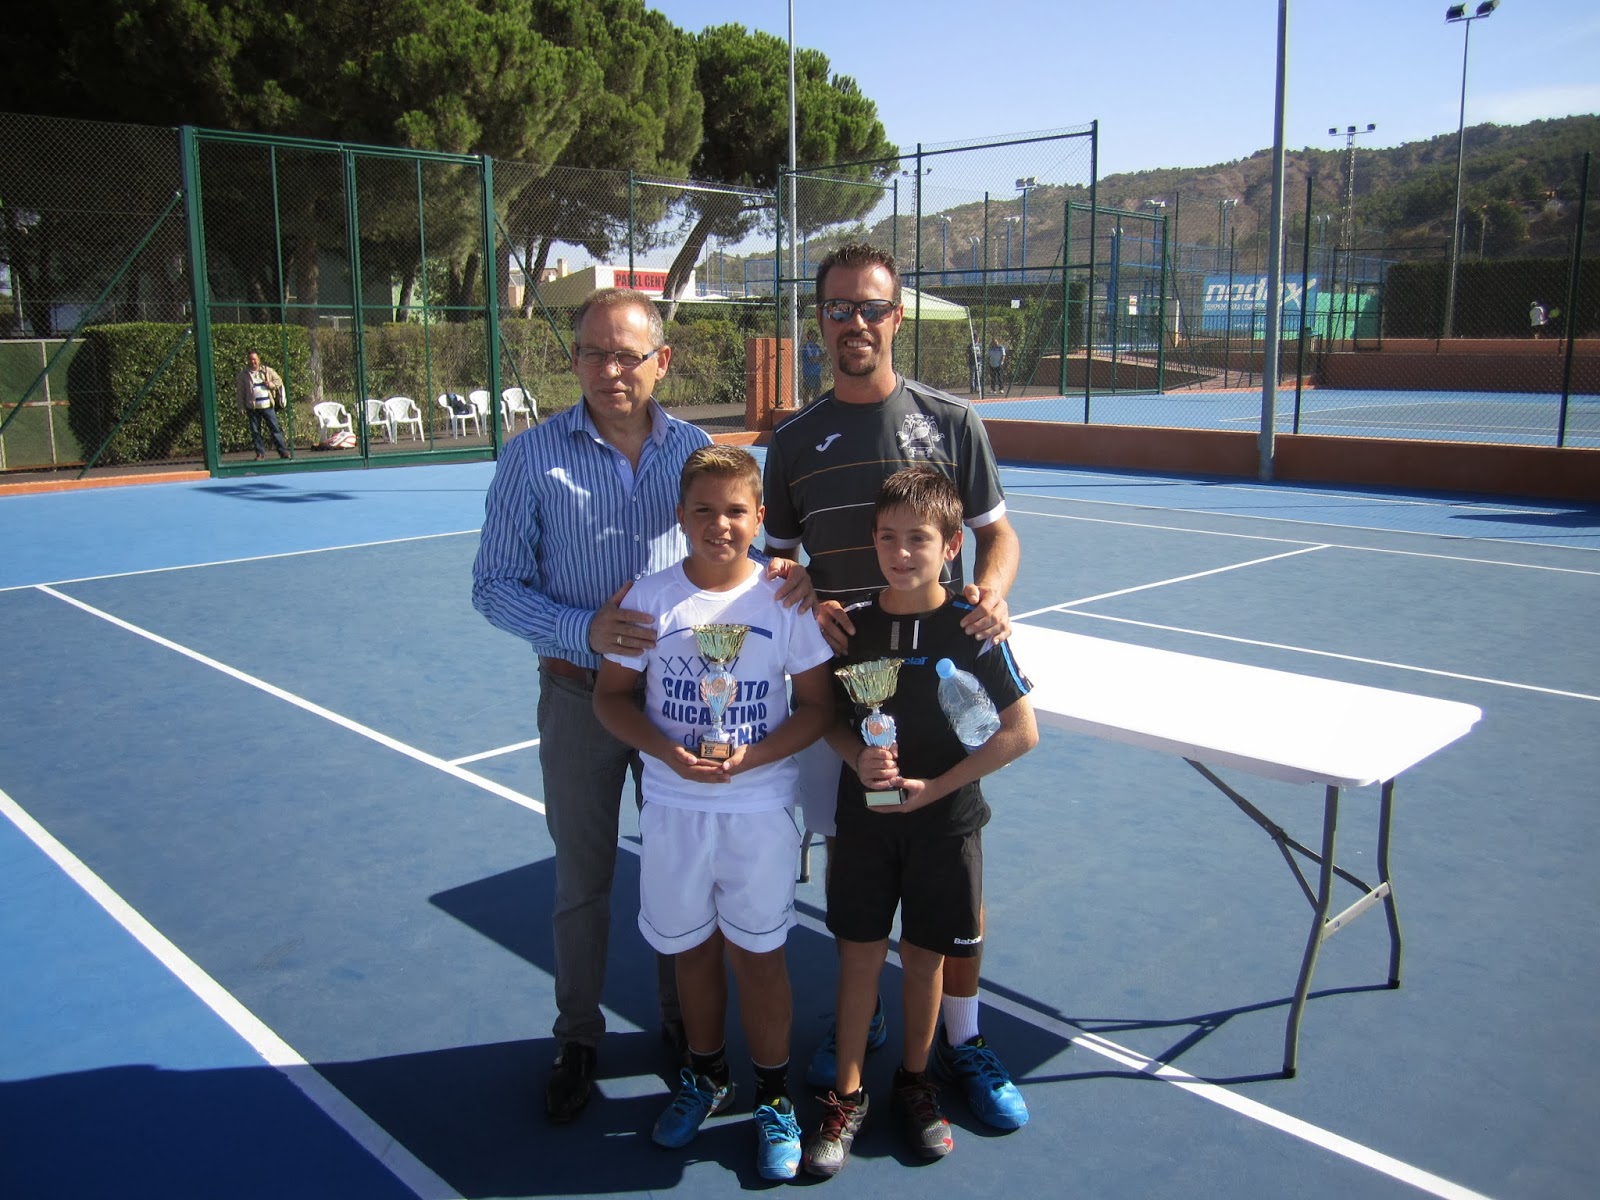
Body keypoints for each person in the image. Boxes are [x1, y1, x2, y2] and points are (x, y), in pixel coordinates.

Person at [471, 288, 812, 1125]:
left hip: (686, 704)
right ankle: (578, 1036)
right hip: (579, 693)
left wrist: (787, 571)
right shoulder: (530, 456)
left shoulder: (696, 450)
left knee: (677, 867)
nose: (610, 370)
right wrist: (583, 629)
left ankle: (684, 1034)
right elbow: (493, 586)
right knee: (583, 877)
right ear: (574, 360)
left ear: (662, 361)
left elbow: (737, 541)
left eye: (627, 355)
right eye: (593, 353)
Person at [761, 243, 1027, 1131]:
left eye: (871, 307)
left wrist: (989, 594)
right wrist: (806, 597)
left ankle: (963, 1037)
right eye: (838, 308)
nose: (855, 323)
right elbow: (778, 562)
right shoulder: (792, 441)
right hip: (848, 692)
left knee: (952, 861)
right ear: (820, 319)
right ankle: (866, 1018)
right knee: (857, 849)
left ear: (896, 316)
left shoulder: (953, 421)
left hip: (939, 692)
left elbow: (997, 535)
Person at [592, 444, 834, 1180]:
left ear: (760, 517)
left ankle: (774, 1096)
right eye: (703, 509)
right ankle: (706, 1074)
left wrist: (753, 758)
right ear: (680, 515)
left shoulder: (784, 597)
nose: (719, 524)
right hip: (673, 809)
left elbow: (817, 708)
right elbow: (611, 699)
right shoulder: (648, 598)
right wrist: (666, 753)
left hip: (758, 811)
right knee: (690, 951)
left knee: (759, 956)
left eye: (735, 511)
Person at [801, 465, 1038, 1178]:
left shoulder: (974, 628)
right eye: (887, 537)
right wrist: (857, 758)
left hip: (946, 824)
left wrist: (936, 788)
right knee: (858, 957)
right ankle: (846, 1096)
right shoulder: (849, 627)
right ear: (872, 540)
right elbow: (826, 719)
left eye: (918, 539)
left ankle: (915, 1081)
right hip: (866, 826)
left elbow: (1019, 732)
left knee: (926, 957)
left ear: (951, 546)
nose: (901, 552)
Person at [234, 350, 291, 460]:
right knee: (255, 431)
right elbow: (240, 392)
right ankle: (260, 453)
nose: (253, 362)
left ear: (258, 360)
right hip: (253, 407)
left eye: (254, 359)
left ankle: (283, 452)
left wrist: (271, 384)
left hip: (267, 406)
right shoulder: (244, 375)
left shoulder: (267, 371)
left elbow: (279, 380)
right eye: (251, 359)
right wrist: (241, 407)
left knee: (275, 429)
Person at [800, 328, 825, 404]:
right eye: (813, 335)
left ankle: (815, 405)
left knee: (817, 390)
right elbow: (812, 360)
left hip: (816, 372)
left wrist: (819, 358)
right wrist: (818, 358)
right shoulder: (807, 346)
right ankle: (805, 406)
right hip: (808, 372)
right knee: (808, 390)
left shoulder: (817, 347)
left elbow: (823, 357)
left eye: (816, 336)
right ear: (809, 336)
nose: (815, 337)